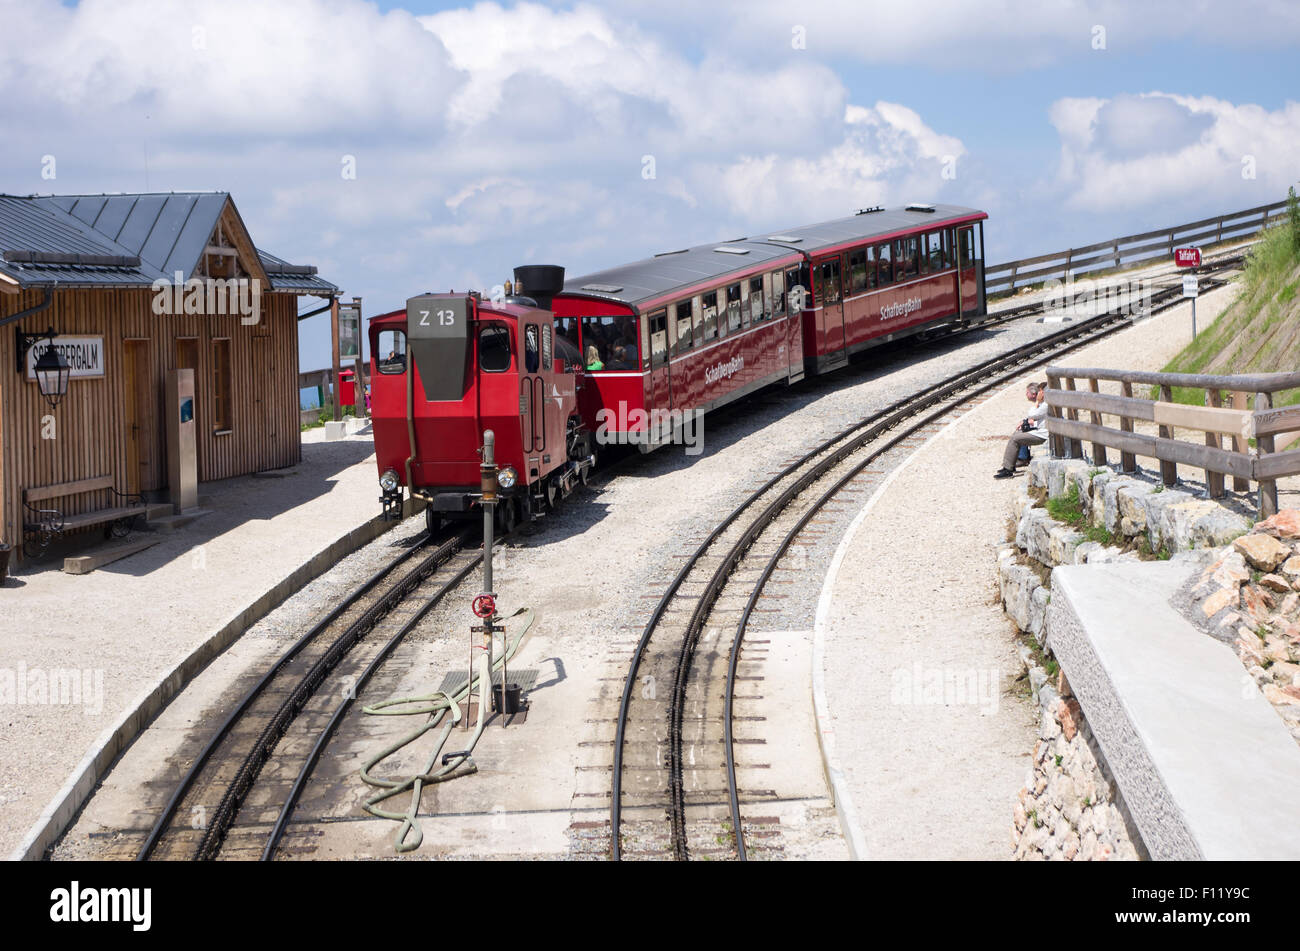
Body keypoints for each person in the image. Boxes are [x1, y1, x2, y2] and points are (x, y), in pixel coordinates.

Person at [994, 381, 1048, 479]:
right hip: (1043, 431)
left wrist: (1037, 402)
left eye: (1040, 392)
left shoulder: (1045, 404)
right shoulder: (1046, 403)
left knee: (1015, 438)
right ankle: (1010, 465)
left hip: (1044, 434)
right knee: (1018, 433)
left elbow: (1032, 414)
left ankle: (1008, 470)